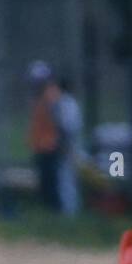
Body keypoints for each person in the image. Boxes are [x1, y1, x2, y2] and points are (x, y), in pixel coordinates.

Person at [26, 61, 61, 210]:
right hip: (41, 146)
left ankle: (54, 210)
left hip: (50, 146)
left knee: (51, 182)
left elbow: (59, 122)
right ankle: (48, 209)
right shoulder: (41, 97)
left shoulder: (51, 96)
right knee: (44, 181)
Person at [53, 76, 83, 217]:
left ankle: (70, 211)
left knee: (67, 179)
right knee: (67, 178)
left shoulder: (65, 103)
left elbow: (67, 127)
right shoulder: (70, 102)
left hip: (68, 144)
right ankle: (69, 209)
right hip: (70, 143)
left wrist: (65, 146)